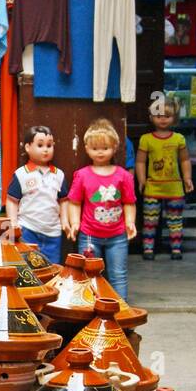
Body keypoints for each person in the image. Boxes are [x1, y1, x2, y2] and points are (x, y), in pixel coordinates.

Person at [64, 119, 137, 298]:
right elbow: (74, 202)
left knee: (118, 275)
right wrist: (75, 223)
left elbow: (129, 202)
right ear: (87, 148)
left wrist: (130, 222)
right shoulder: (82, 175)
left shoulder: (123, 176)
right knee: (87, 274)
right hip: (89, 234)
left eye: (105, 147)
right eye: (95, 148)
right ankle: (87, 307)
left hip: (117, 235)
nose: (100, 152)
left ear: (114, 147)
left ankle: (121, 311)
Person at [135, 95, 191, 261]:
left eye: (167, 116)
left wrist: (187, 177)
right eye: (158, 116)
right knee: (150, 221)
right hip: (153, 187)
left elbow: (185, 160)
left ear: (174, 118)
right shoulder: (146, 139)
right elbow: (140, 162)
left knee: (175, 220)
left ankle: (176, 249)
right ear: (151, 117)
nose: (163, 120)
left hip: (174, 187)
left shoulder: (178, 139)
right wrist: (142, 180)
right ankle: (148, 249)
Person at [5, 125, 67, 265]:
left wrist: (65, 221)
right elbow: (12, 201)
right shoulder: (21, 174)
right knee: (27, 268)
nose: (45, 149)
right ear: (28, 147)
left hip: (53, 232)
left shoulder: (58, 174)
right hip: (27, 229)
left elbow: (64, 200)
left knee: (52, 268)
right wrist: (13, 222)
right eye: (40, 145)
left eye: (49, 145)